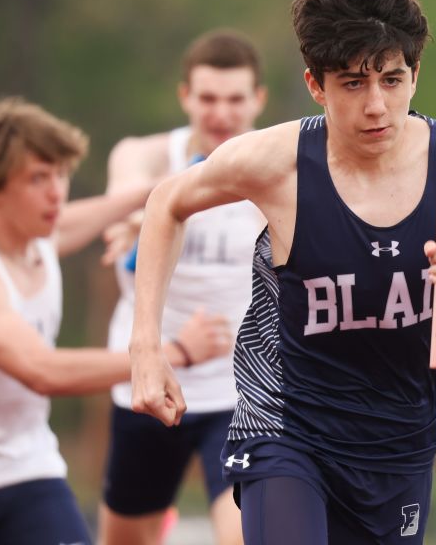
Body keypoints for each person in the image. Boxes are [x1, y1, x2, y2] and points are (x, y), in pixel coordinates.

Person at [128, 0, 436, 544]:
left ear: (415, 75)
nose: (376, 106)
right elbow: (167, 202)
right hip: (288, 428)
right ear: (315, 84)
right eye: (353, 82)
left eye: (392, 80)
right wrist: (146, 348)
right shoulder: (277, 162)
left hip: (397, 444)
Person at [0, 98, 230, 545]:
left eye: (61, 174)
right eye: (38, 179)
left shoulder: (39, 232)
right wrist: (174, 353)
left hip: (24, 469)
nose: (56, 193)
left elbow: (138, 198)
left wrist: (203, 171)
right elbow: (41, 371)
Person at [99, 30, 268, 545]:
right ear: (185, 98)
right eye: (208, 99)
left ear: (257, 100)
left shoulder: (275, 169)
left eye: (235, 99)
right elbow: (127, 194)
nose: (221, 113)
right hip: (150, 381)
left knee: (243, 535)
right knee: (127, 538)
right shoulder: (147, 156)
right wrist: (137, 217)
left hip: (238, 391)